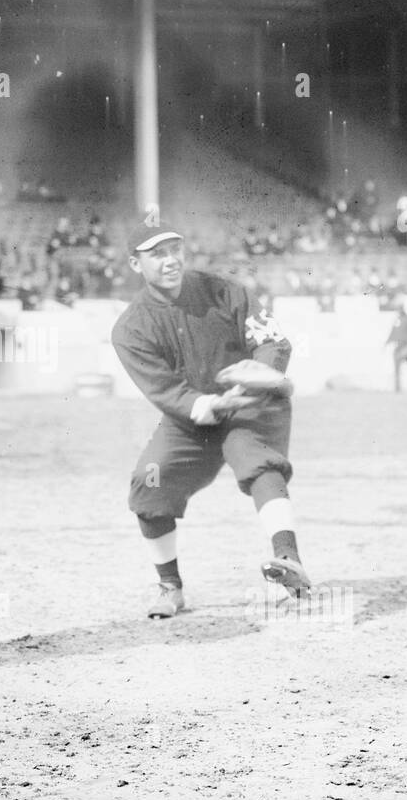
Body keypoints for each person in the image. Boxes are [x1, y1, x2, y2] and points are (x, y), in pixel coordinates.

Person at [111, 219, 311, 620]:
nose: (170, 261)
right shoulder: (130, 328)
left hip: (250, 403)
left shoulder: (224, 290)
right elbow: (165, 390)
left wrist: (256, 377)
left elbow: (271, 340)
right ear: (136, 264)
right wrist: (208, 405)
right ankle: (170, 587)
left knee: (256, 461)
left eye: (174, 250)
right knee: (149, 479)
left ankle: (288, 560)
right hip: (192, 418)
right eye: (157, 254)